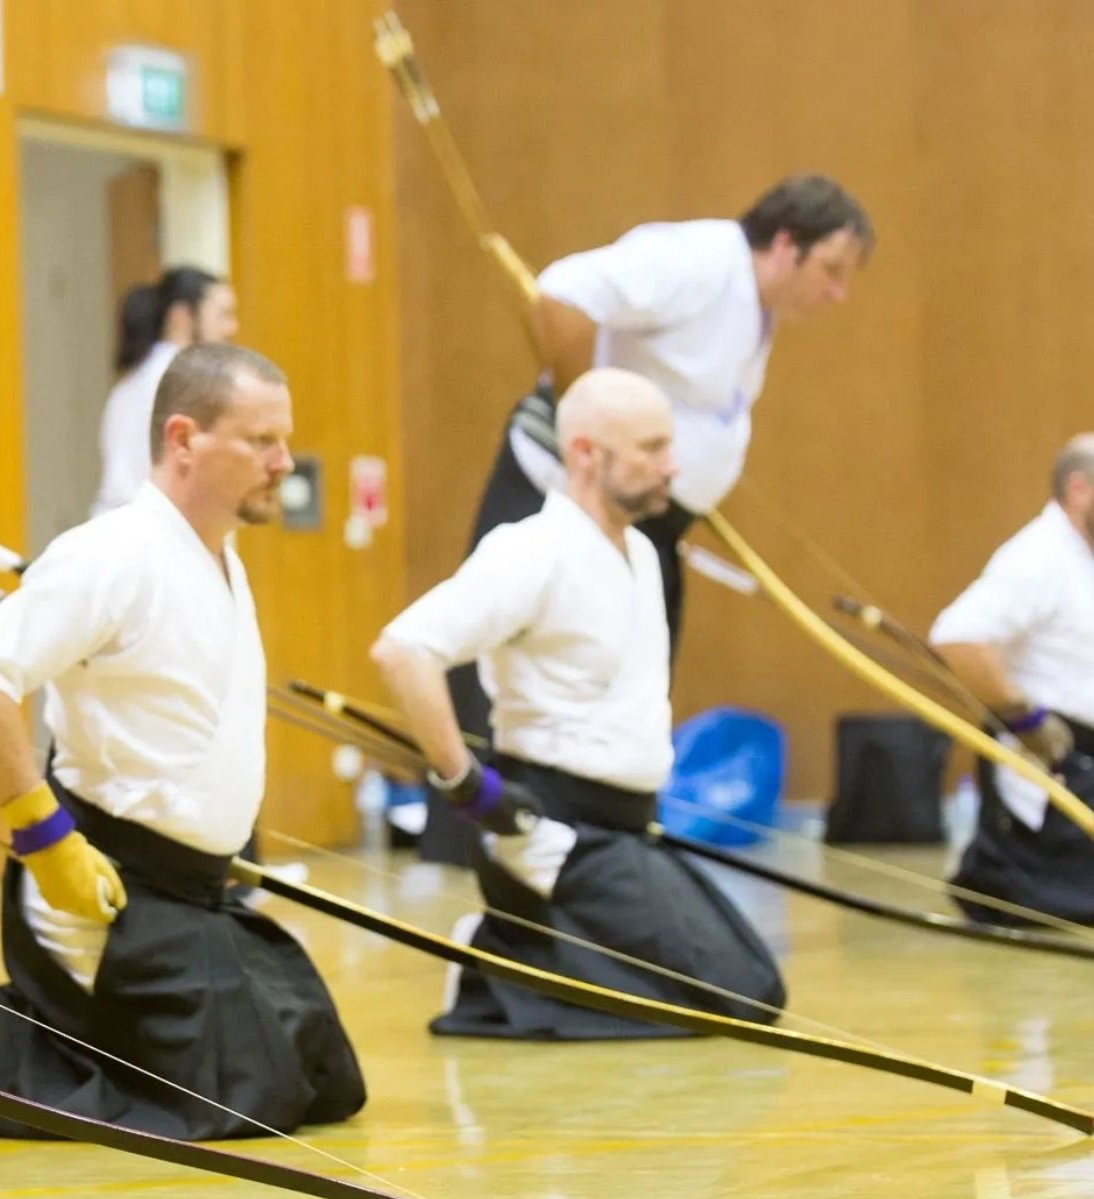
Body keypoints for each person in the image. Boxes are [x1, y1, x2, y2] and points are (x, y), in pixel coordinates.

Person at [0, 343, 365, 1140]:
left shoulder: (218, 556)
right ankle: (1, 1048)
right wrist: (46, 838)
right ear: (185, 438)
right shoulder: (111, 553)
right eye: (261, 441)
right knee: (247, 1095)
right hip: (107, 893)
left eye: (284, 440)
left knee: (322, 1068)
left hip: (195, 893)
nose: (285, 462)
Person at [423, 174, 875, 864]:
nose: (838, 293)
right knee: (511, 664)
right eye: (832, 272)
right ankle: (487, 839)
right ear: (786, 244)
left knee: (631, 680)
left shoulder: (753, 304)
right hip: (562, 494)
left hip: (644, 520)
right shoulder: (697, 260)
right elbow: (563, 293)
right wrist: (589, 415)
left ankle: (610, 836)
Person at [373, 368, 786, 1040]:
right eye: (651, 448)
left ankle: (508, 953)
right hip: (549, 832)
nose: (671, 466)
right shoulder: (530, 551)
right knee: (730, 999)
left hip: (625, 830)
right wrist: (466, 785)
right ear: (587, 452)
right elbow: (403, 650)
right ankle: (498, 958)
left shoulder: (645, 555)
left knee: (755, 984)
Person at [928, 435, 1094, 926]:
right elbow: (956, 637)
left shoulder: (1082, 554)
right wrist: (1025, 716)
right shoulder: (1037, 557)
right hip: (1057, 761)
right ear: (1079, 488)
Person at [90, 266, 240, 516]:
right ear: (182, 316)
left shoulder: (131, 382)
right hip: (145, 533)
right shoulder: (182, 382)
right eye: (223, 315)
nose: (231, 328)